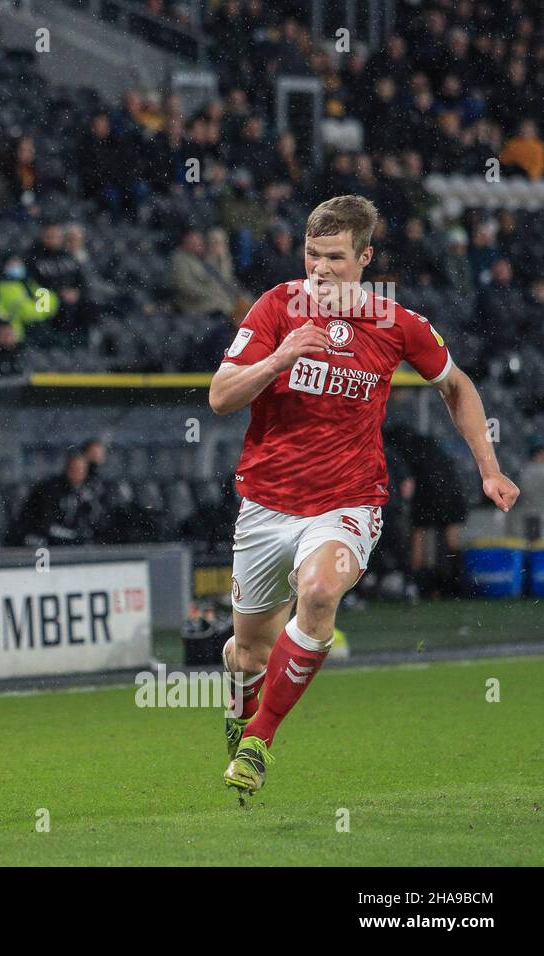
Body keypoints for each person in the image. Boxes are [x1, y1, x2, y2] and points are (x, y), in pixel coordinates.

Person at [209, 195, 519, 800]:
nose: (319, 269)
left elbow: (456, 386)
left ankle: (259, 742)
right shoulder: (277, 308)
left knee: (320, 594)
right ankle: (242, 704)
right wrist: (279, 357)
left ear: (365, 258)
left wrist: (489, 467)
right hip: (267, 504)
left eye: (334, 258)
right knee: (248, 652)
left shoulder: (396, 323)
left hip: (347, 501)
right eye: (311, 255)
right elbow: (220, 398)